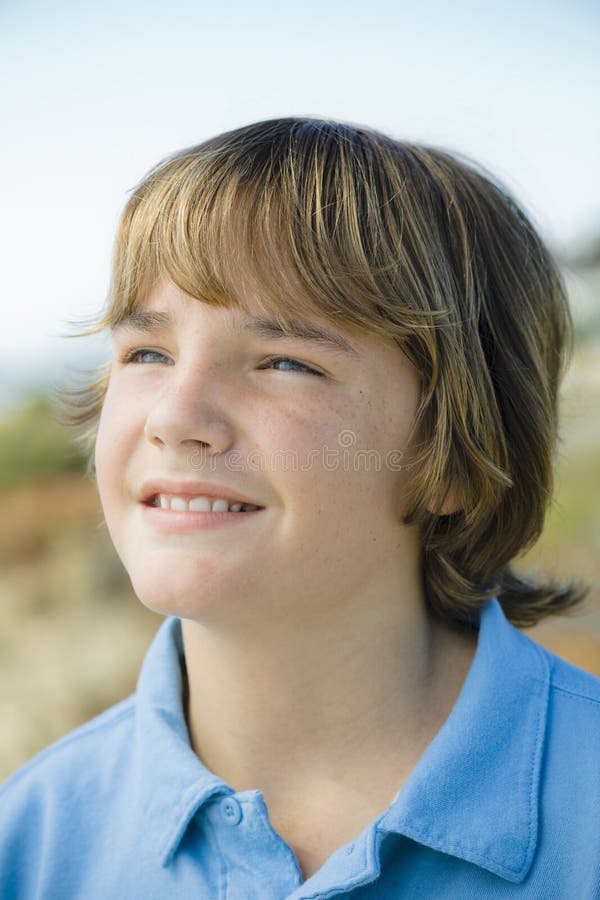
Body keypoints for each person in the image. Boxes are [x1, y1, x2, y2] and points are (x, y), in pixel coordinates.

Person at [1, 117, 598, 899]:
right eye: (148, 353)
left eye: (287, 362)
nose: (176, 416)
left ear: (451, 458)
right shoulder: (33, 843)